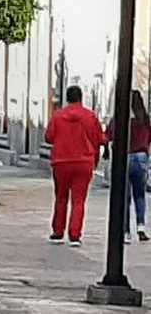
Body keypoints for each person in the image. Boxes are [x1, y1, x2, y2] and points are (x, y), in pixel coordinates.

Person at [46, 85, 105, 247]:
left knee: (61, 198)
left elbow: (49, 137)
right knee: (79, 200)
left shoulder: (58, 116)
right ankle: (74, 234)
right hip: (84, 162)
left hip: (61, 162)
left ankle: (58, 231)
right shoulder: (90, 116)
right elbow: (99, 138)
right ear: (81, 98)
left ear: (67, 98)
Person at [113, 90, 151, 243]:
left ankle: (125, 232)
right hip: (141, 157)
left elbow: (110, 134)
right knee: (140, 194)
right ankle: (141, 226)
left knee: (125, 197)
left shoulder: (120, 117)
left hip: (125, 156)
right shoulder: (145, 119)